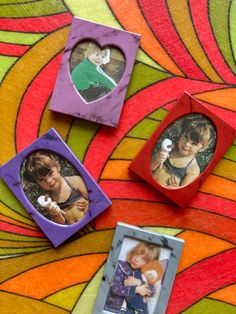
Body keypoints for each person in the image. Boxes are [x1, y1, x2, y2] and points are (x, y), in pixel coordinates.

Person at [23, 150, 89, 225]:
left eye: (50, 173)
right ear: (37, 183)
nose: (49, 181)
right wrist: (55, 214)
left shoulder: (74, 181)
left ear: (58, 167)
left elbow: (95, 199)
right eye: (41, 180)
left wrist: (88, 203)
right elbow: (61, 222)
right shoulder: (48, 199)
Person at [151, 115, 215, 188]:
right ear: (181, 134)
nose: (186, 144)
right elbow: (150, 167)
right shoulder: (170, 148)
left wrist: (175, 187)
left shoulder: (193, 170)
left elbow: (181, 194)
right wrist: (157, 159)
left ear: (202, 148)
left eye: (194, 143)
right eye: (185, 137)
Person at [104, 241, 160, 314]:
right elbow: (115, 288)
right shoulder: (120, 266)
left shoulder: (145, 275)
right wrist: (136, 289)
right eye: (137, 253)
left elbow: (152, 291)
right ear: (132, 252)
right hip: (115, 308)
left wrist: (139, 282)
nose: (136, 260)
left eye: (143, 259)